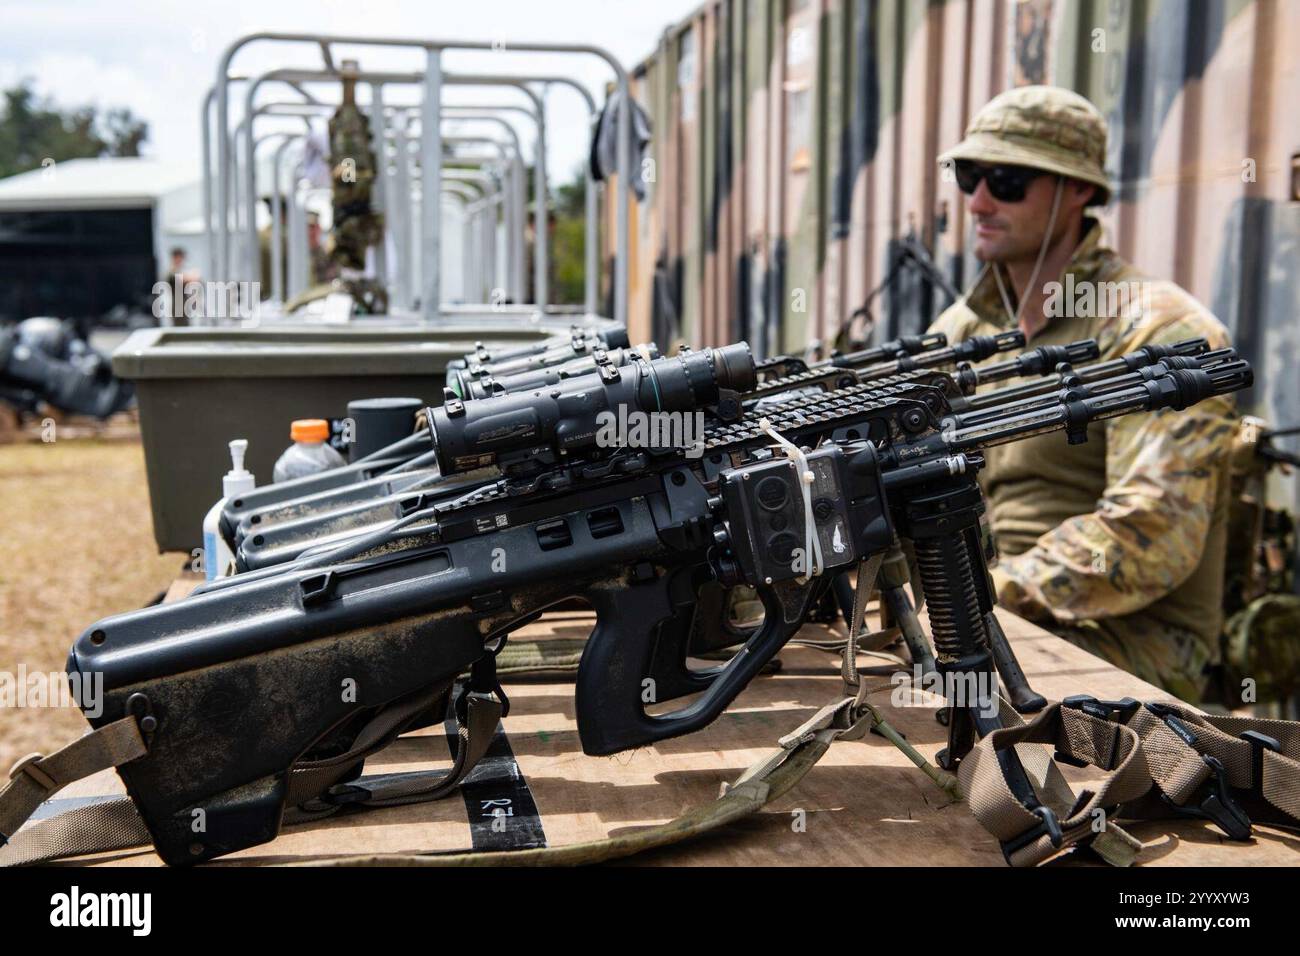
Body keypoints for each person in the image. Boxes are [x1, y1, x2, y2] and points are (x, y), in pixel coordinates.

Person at [928, 85, 1237, 702]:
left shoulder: (1158, 330)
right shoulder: (966, 331)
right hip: (991, 608)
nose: (979, 201)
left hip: (1127, 640)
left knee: (927, 699)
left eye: (1008, 180)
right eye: (969, 177)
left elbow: (1150, 534)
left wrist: (980, 592)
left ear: (1079, 191)